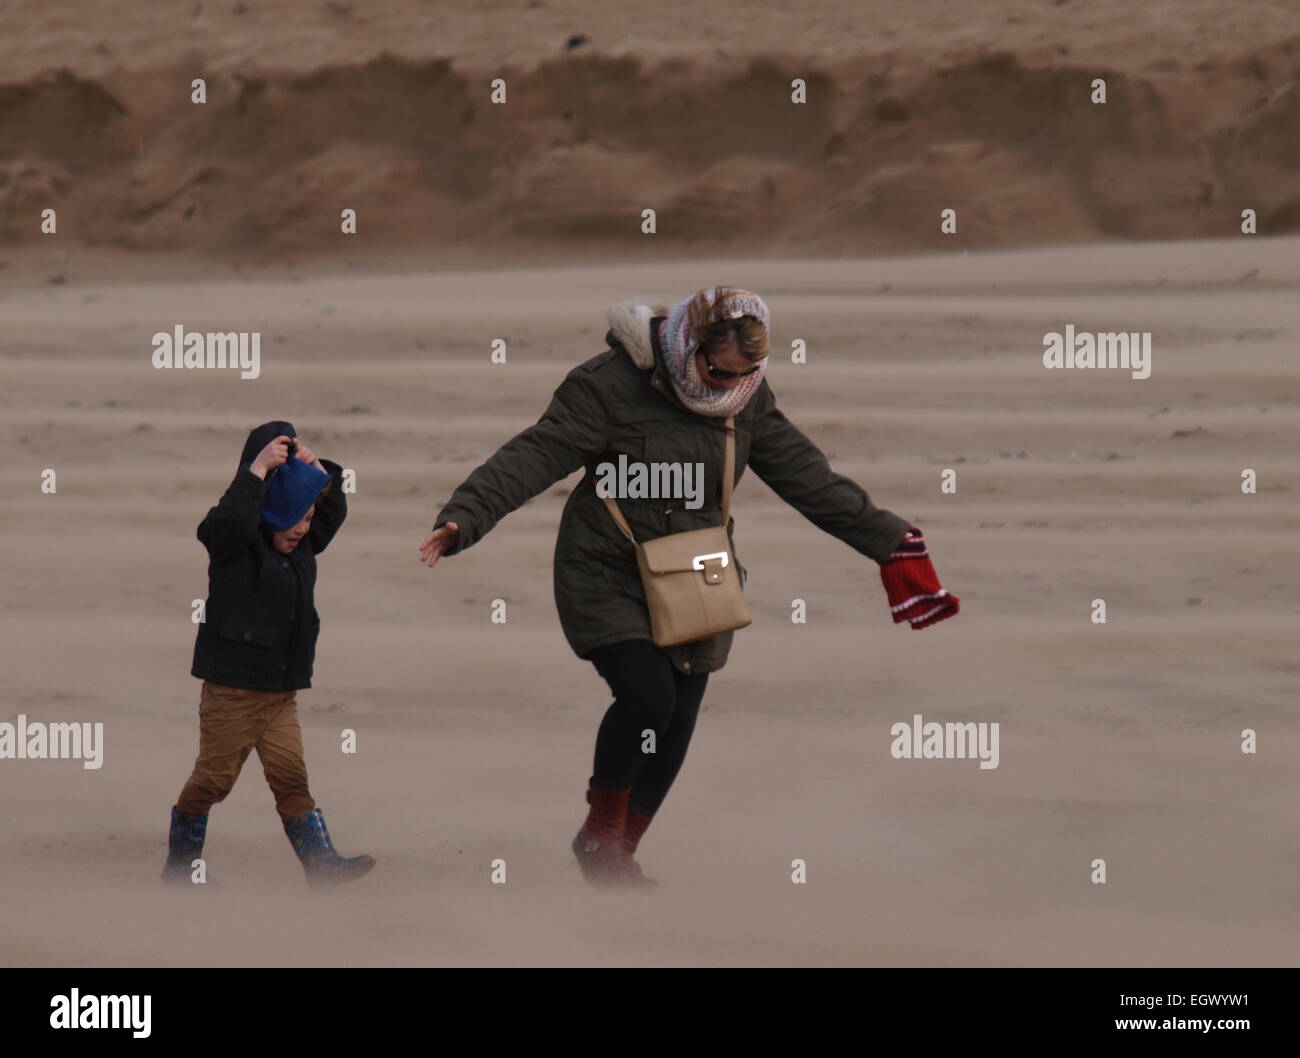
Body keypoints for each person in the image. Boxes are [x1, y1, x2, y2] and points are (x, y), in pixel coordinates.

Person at [418, 287, 958, 887]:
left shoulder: (746, 398)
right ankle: (599, 837)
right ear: (689, 345)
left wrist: (889, 540)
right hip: (606, 570)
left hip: (700, 571)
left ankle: (620, 849)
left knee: (680, 718)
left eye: (746, 375)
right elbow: (534, 454)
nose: (729, 387)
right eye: (718, 372)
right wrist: (466, 515)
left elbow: (809, 478)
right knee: (650, 699)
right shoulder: (609, 384)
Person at [162, 421, 375, 887]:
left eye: (307, 518)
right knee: (213, 782)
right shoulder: (235, 545)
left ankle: (321, 865)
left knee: (291, 779)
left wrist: (317, 469)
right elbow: (227, 522)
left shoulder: (301, 545)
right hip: (233, 692)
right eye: (295, 518)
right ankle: (181, 866)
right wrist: (258, 469)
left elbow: (328, 514)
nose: (303, 528)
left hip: (280, 693)